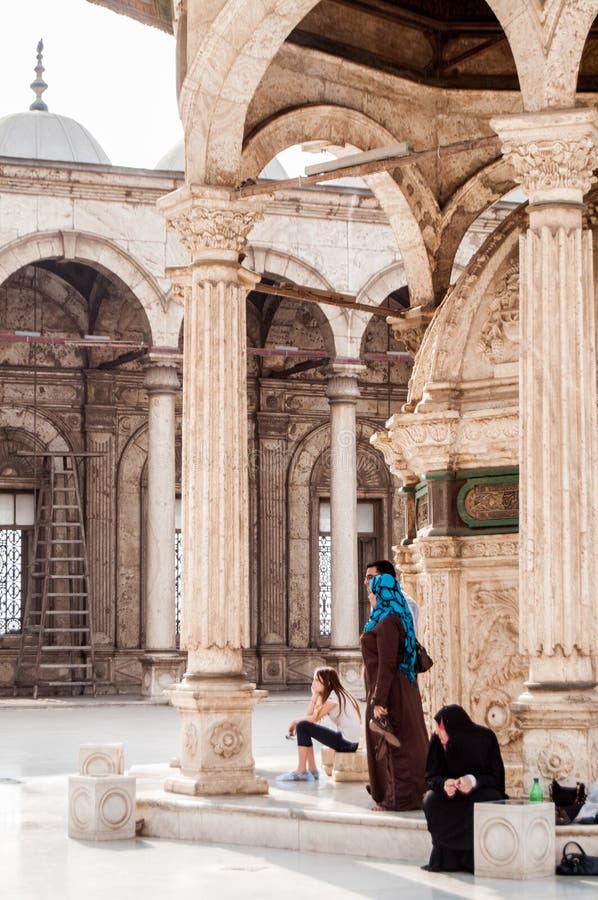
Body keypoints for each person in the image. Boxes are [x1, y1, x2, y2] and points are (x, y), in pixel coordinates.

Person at [360, 572, 428, 811]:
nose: (370, 596)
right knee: (406, 740)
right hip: (400, 687)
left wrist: (379, 699)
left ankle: (398, 799)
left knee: (394, 744)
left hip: (392, 690)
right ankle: (405, 795)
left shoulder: (388, 622)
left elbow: (387, 663)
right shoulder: (395, 617)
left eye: (373, 592)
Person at [422, 704, 508, 873]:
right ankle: (447, 858)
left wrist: (472, 780)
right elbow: (431, 776)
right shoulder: (437, 741)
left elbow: (497, 778)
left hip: (480, 790)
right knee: (431, 800)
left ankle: (471, 859)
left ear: (454, 729)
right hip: (451, 794)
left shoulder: (485, 738)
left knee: (489, 798)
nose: (438, 732)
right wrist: (444, 783)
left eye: (441, 728)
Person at [277, 667, 361, 782]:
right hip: (348, 741)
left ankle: (302, 771)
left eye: (317, 680)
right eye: (314, 680)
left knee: (302, 726)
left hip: (347, 743)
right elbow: (311, 719)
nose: (313, 683)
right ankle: (312, 771)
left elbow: (311, 719)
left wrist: (295, 721)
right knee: (304, 727)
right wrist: (315, 696)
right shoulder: (337, 693)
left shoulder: (335, 696)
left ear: (328, 683)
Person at [365, 559, 419, 632]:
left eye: (370, 578)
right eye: (366, 578)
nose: (366, 582)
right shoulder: (379, 600)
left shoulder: (403, 602)